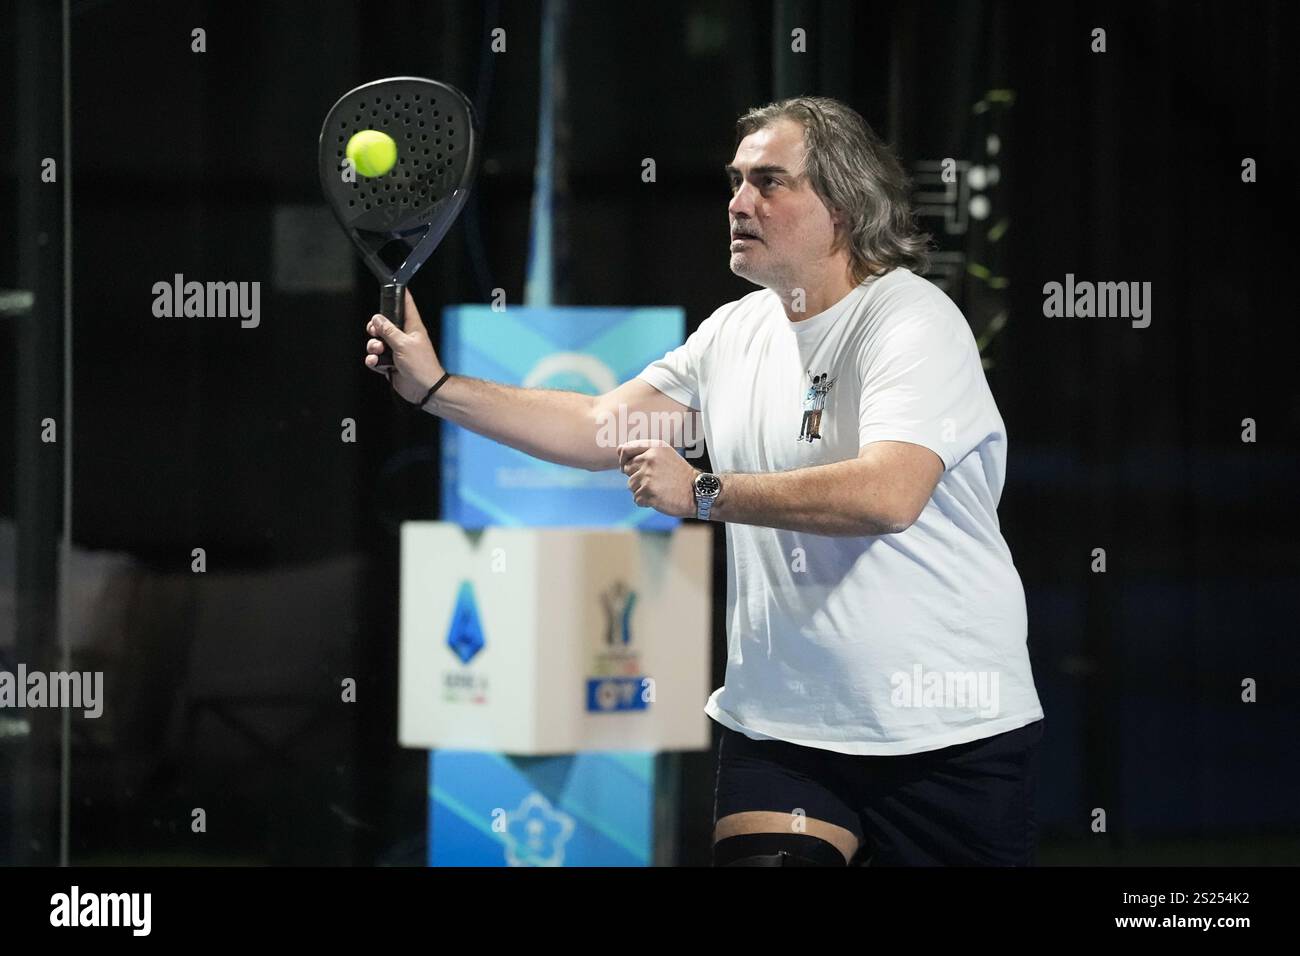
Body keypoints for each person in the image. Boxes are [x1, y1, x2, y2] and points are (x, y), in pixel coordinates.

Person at [363, 95, 1044, 867]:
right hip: (781, 734)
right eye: (736, 181)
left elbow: (888, 495)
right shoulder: (734, 332)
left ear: (846, 206)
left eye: (769, 182)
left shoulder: (911, 321)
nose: (738, 202)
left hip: (948, 734)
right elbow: (599, 428)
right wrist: (435, 387)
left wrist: (705, 492)